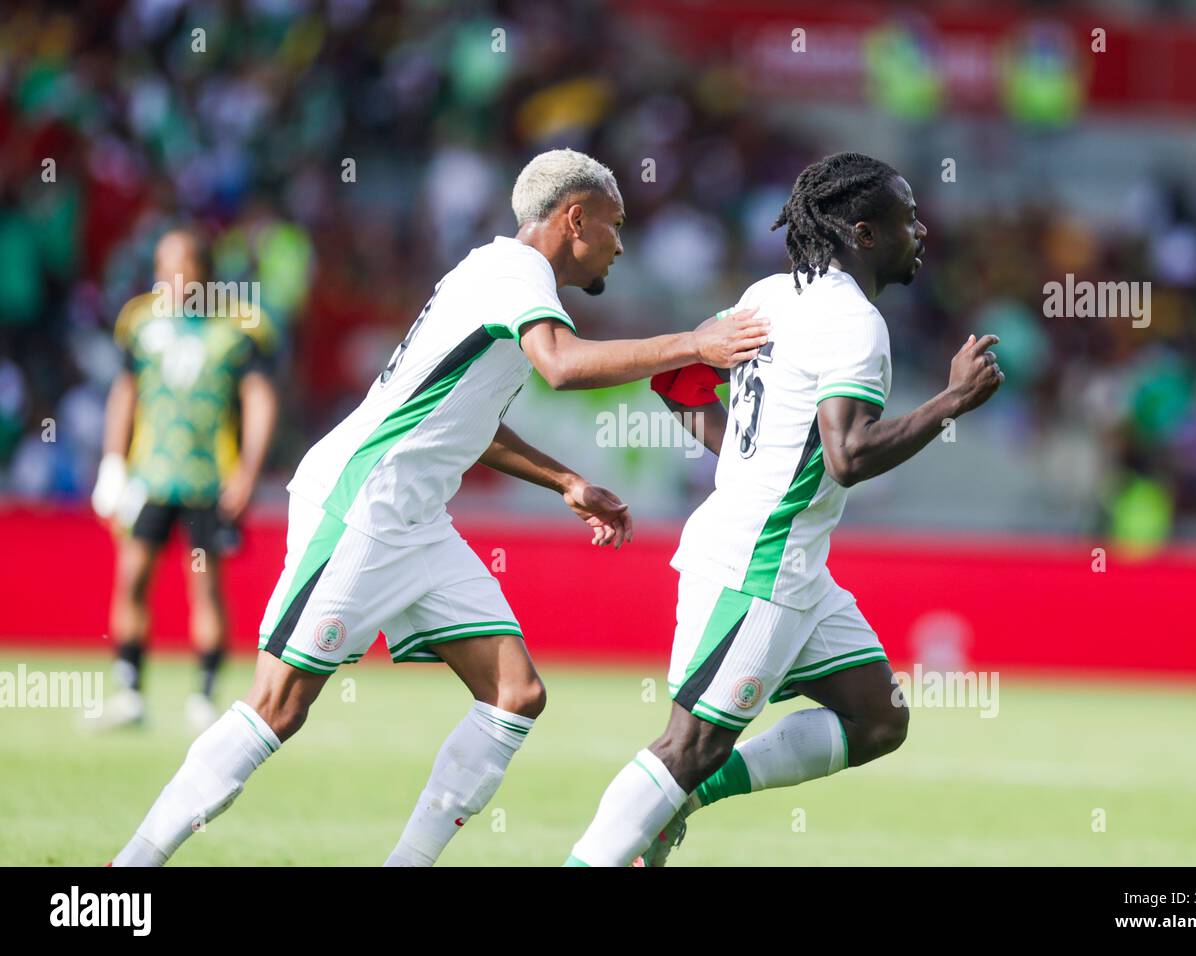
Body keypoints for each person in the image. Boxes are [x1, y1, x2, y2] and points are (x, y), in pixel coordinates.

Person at [110, 148, 769, 866]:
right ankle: (129, 870)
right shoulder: (515, 276)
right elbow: (562, 364)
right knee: (279, 705)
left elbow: (461, 418)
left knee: (514, 695)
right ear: (573, 219)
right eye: (613, 225)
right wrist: (693, 344)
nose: (620, 242)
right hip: (365, 503)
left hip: (417, 519)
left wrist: (564, 482)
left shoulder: (501, 278)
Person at [565, 152, 1003, 867]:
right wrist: (952, 400)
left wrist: (742, 455)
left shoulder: (770, 294)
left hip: (795, 566)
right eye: (908, 218)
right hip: (758, 563)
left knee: (877, 719)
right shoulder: (856, 325)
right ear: (863, 233)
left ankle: (685, 801)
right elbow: (849, 456)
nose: (922, 231)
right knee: (690, 744)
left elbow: (677, 381)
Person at [92, 227, 277, 733]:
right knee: (132, 576)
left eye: (181, 265)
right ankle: (129, 690)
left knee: (207, 588)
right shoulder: (140, 320)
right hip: (150, 474)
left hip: (209, 478)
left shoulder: (239, 326)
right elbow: (125, 391)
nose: (169, 276)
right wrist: (112, 462)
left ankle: (204, 694)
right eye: (162, 264)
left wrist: (248, 470)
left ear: (204, 269)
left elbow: (260, 401)